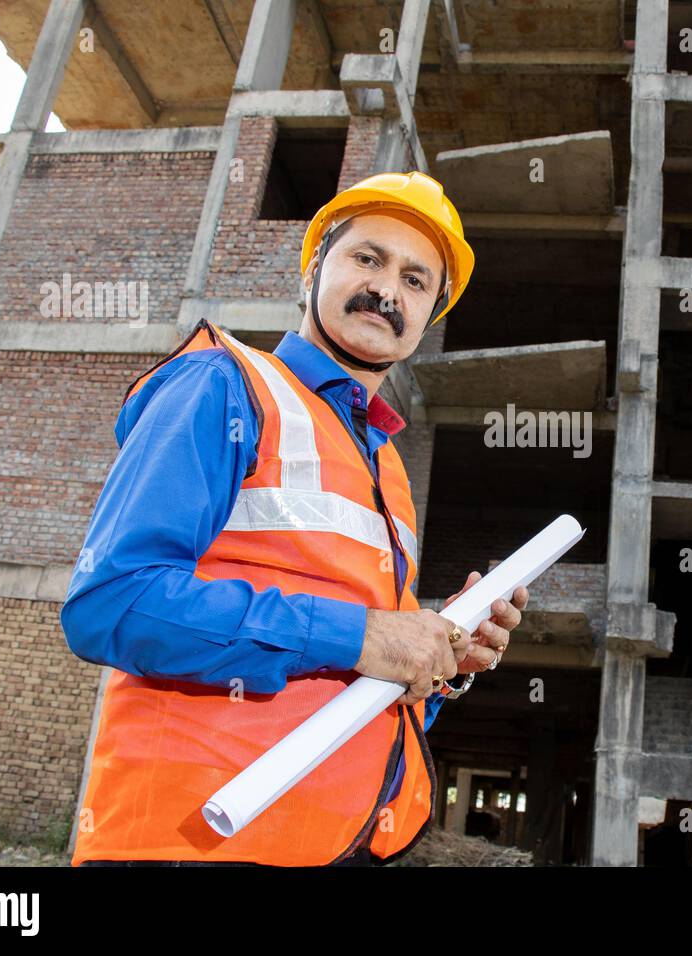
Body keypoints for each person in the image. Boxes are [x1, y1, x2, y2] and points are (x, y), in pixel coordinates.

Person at [62, 170, 527, 867]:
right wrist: (359, 635)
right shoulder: (225, 385)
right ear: (312, 270)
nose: (386, 290)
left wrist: (435, 655)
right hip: (196, 842)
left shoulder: (387, 467)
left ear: (428, 315)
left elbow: (364, 677)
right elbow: (111, 604)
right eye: (367, 259)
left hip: (346, 844)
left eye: (415, 280)